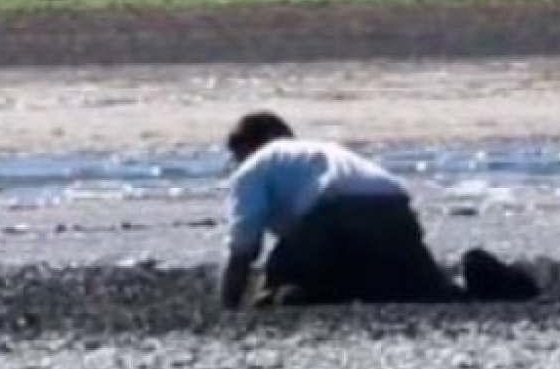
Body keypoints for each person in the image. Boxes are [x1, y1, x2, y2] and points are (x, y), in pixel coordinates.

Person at [218, 111, 534, 309]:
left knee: (281, 284)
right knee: (422, 293)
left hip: (334, 214)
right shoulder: (317, 151)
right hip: (393, 207)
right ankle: (491, 278)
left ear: (247, 148)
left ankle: (301, 293)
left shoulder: (254, 167)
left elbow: (243, 247)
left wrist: (229, 305)